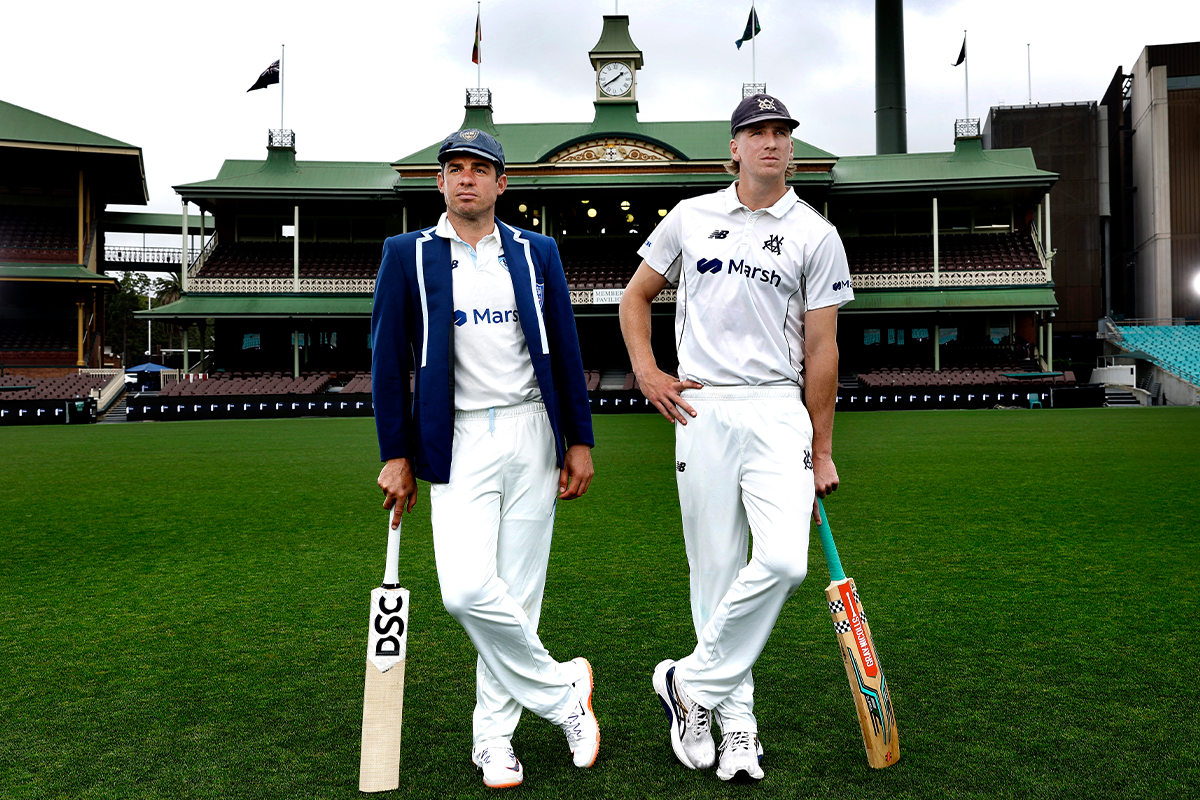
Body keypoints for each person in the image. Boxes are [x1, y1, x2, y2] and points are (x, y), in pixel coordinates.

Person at [619, 94, 853, 782]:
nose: (772, 142)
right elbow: (635, 297)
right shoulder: (691, 217)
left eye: (782, 132)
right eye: (758, 132)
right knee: (716, 572)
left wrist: (824, 448)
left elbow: (823, 349)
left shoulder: (814, 232)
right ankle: (737, 727)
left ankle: (690, 683)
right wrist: (646, 370)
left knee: (784, 563)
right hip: (702, 409)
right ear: (735, 148)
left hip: (779, 409)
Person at [371, 128, 598, 789]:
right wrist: (395, 453)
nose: (466, 178)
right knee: (468, 592)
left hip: (532, 432)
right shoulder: (406, 254)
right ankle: (563, 692)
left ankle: (494, 741)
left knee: (519, 599)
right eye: (455, 169)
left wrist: (577, 440)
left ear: (502, 184)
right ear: (440, 183)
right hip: (458, 437)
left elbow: (566, 348)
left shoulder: (537, 253)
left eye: (480, 169)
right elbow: (387, 361)